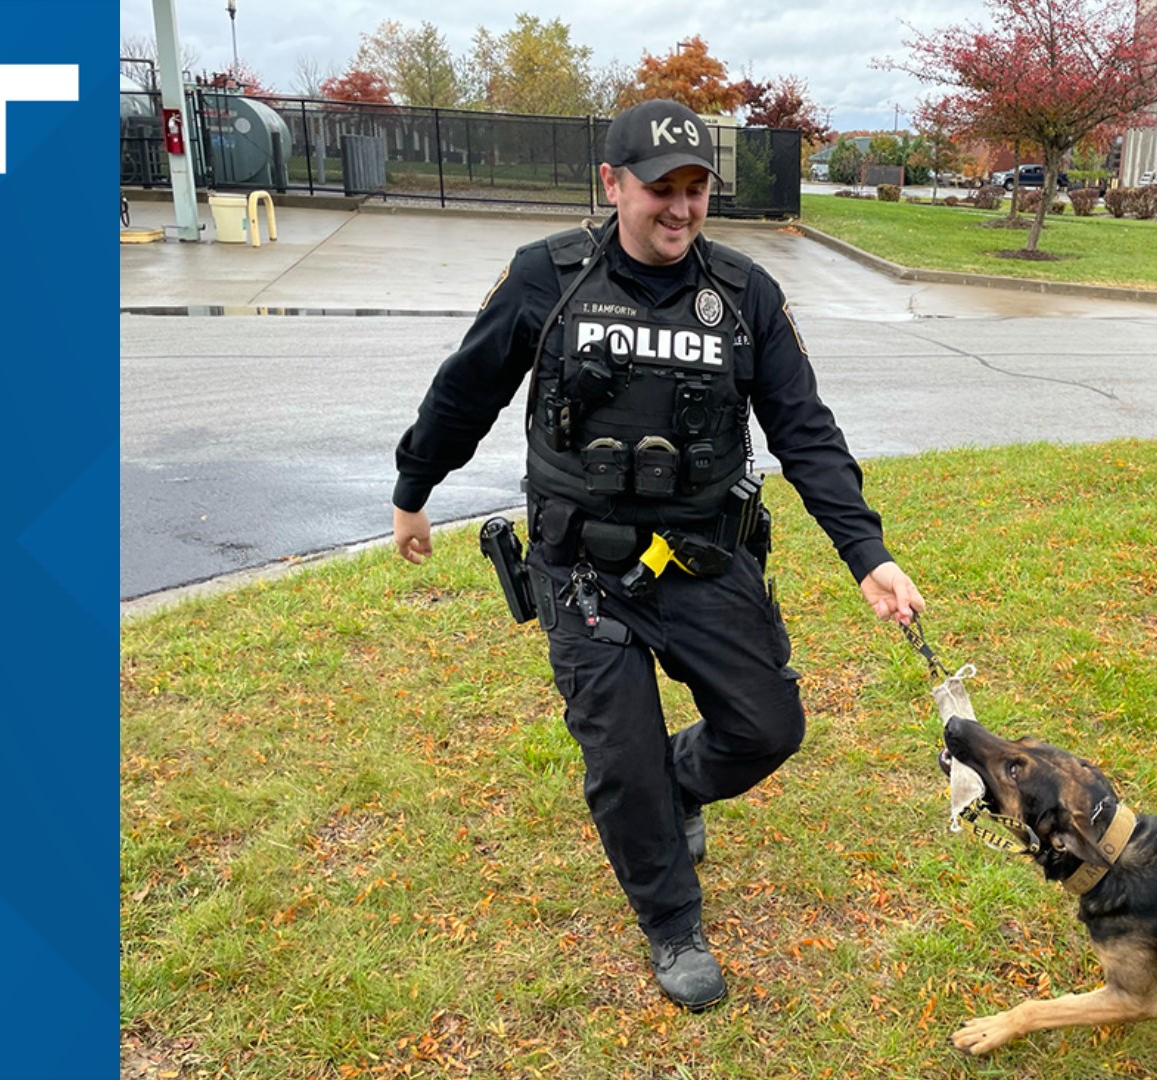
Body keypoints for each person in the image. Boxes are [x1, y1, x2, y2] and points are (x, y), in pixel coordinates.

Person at [389, 99, 924, 1012]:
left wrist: (864, 553)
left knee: (767, 729)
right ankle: (672, 920)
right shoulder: (546, 277)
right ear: (612, 184)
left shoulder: (744, 293)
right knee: (619, 759)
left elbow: (806, 429)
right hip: (580, 569)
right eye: (659, 189)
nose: (679, 209)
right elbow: (465, 388)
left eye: (696, 189)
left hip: (703, 559)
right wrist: (414, 488)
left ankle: (681, 783)